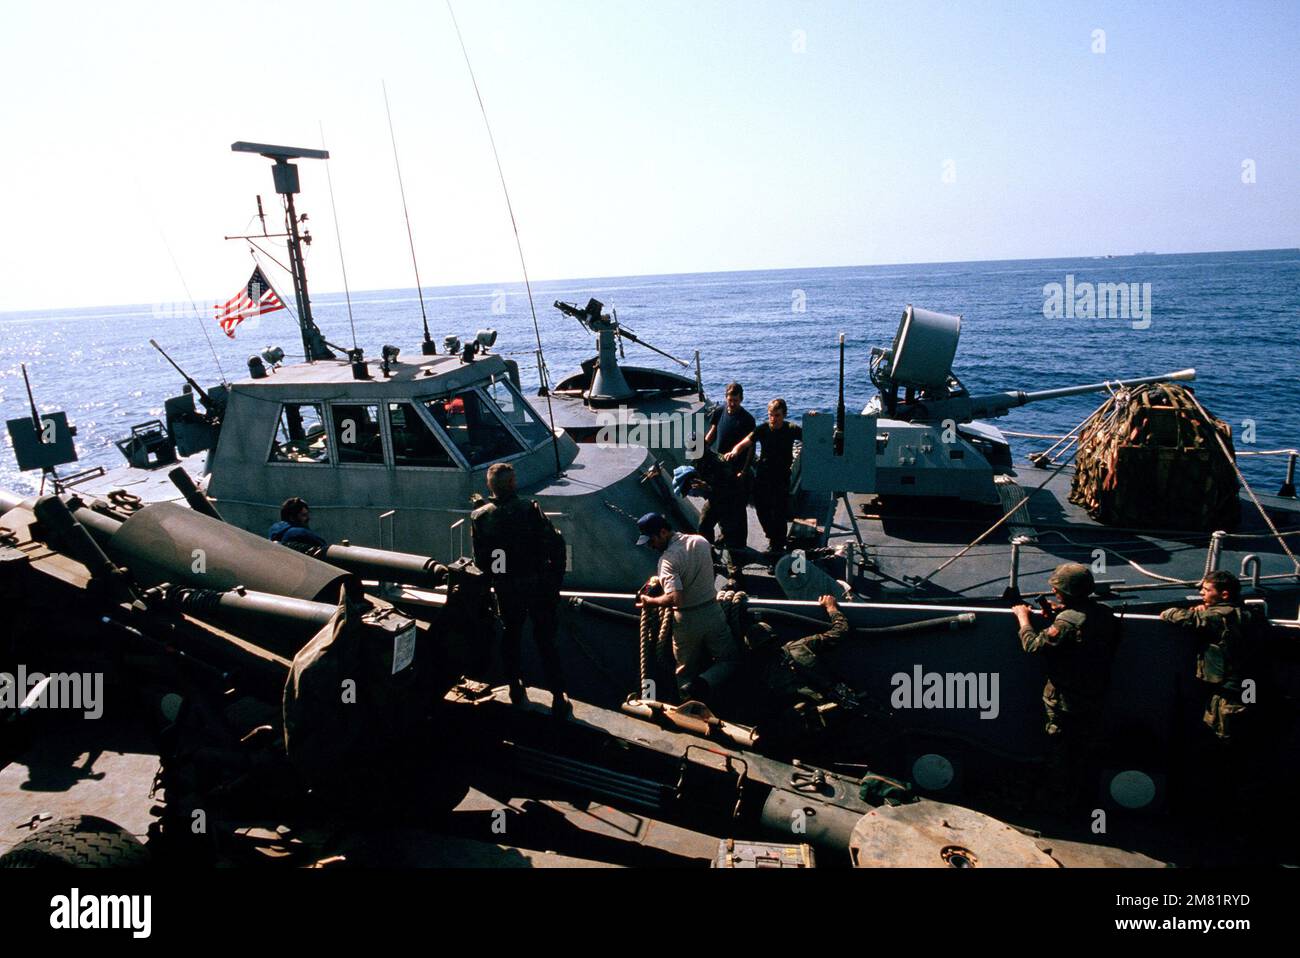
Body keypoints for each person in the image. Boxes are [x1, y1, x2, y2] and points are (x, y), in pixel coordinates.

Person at [470, 462, 571, 719]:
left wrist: (494, 583)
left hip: (507, 588)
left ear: (490, 486)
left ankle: (515, 687)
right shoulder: (529, 509)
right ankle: (558, 696)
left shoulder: (480, 517)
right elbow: (556, 544)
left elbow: (482, 561)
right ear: (512, 483)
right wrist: (554, 581)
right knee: (546, 642)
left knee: (511, 637)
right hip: (538, 586)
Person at [1011, 563, 1119, 798]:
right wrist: (1062, 612)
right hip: (1093, 695)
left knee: (1061, 751)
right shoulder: (1104, 613)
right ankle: (1081, 795)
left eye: (1058, 589)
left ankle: (1059, 800)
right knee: (1084, 751)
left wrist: (1023, 618)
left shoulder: (1067, 623)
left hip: (1065, 701)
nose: (1054, 591)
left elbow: (1033, 646)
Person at [634, 512, 739, 699]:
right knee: (729, 660)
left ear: (663, 532)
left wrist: (650, 602)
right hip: (713, 612)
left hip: (687, 621)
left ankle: (689, 698)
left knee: (685, 672)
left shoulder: (667, 561)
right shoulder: (701, 542)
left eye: (651, 540)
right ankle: (706, 683)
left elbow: (675, 599)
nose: (650, 546)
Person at [1159, 571, 1263, 745]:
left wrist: (1196, 611)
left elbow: (1172, 614)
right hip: (1249, 685)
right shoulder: (1250, 614)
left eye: (1207, 590)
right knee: (1248, 721)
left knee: (1223, 735)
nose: (1201, 593)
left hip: (1228, 694)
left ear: (1224, 594)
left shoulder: (1216, 617)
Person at [724, 397, 802, 556]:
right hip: (763, 476)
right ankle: (772, 537)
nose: (773, 419)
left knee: (779, 512)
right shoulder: (763, 429)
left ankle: (777, 546)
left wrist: (814, 418)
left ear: (784, 414)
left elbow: (813, 437)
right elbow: (745, 442)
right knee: (761, 509)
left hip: (781, 478)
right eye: (771, 415)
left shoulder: (792, 429)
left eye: (777, 415)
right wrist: (734, 451)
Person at [698, 382, 755, 581]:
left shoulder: (747, 420)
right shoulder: (720, 411)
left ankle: (735, 569)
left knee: (735, 523)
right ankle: (709, 557)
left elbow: (750, 448)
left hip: (736, 477)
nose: (732, 404)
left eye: (735, 400)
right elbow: (713, 431)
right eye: (730, 400)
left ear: (741, 399)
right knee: (705, 521)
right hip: (719, 472)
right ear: (726, 398)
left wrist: (744, 471)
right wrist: (703, 446)